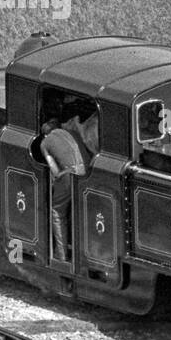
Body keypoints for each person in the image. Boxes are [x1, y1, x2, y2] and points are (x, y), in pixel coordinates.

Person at [39, 107, 98, 261]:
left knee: (57, 212)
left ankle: (61, 255)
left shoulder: (45, 142)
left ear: (45, 132)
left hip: (68, 175)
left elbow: (54, 169)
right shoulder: (72, 133)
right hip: (86, 174)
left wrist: (54, 183)